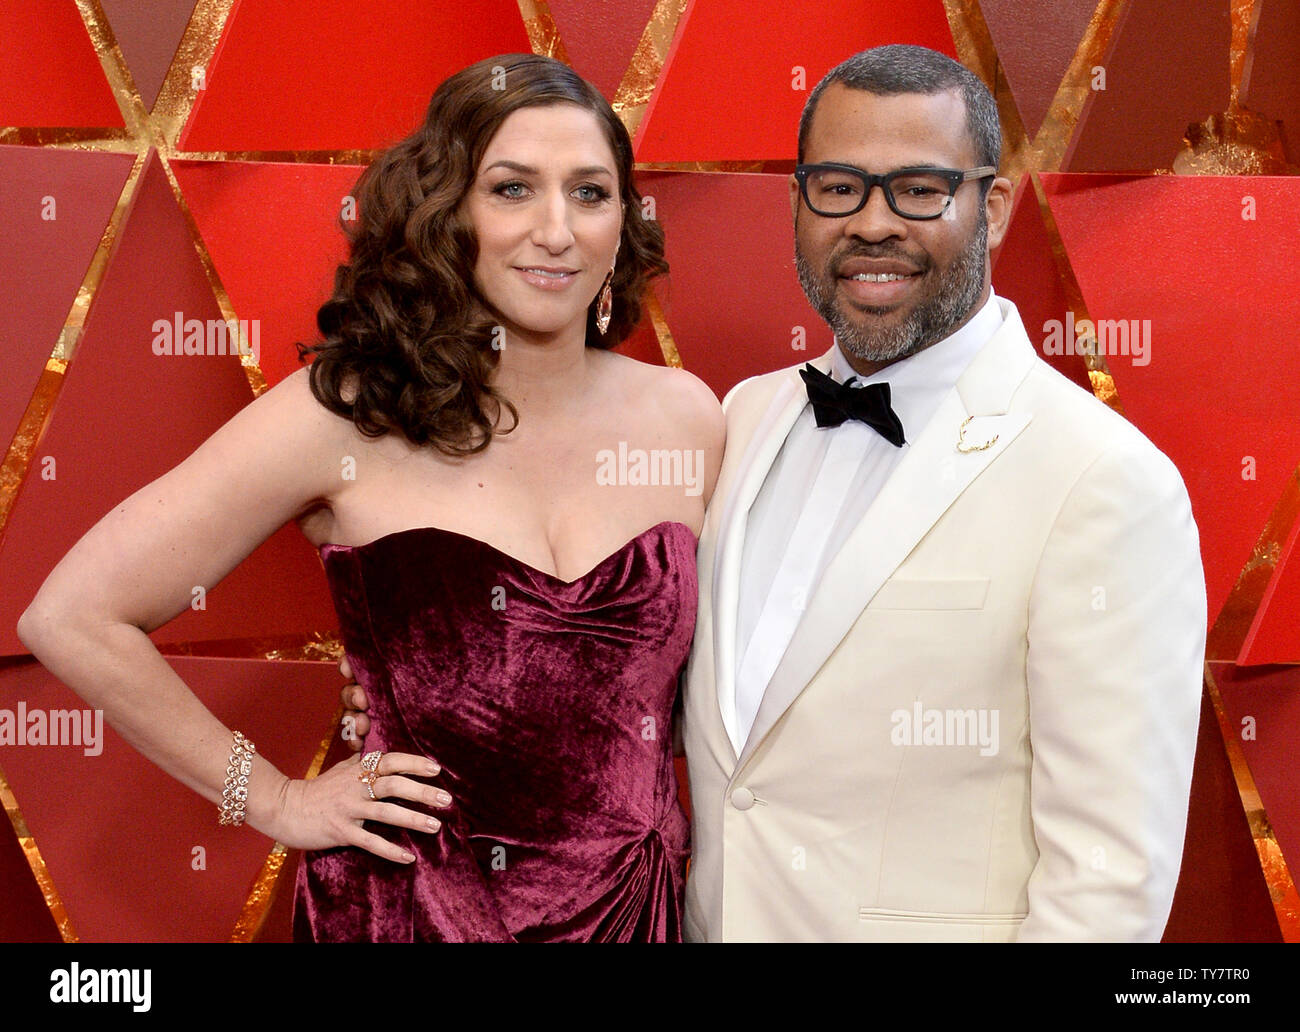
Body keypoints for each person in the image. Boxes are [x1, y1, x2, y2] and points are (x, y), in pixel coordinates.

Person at [345, 43, 1207, 942]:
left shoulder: (1104, 480)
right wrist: (432, 678)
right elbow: (638, 675)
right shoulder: (746, 418)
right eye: (838, 187)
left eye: (918, 189)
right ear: (798, 203)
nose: (873, 223)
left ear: (990, 210)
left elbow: (1108, 887)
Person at [16, 53, 724, 943]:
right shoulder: (349, 415)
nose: (557, 230)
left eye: (590, 193)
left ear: (624, 222)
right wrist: (271, 799)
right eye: (511, 189)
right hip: (413, 912)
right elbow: (71, 617)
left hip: (635, 912)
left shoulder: (687, 418)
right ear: (448, 211)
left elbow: (716, 689)